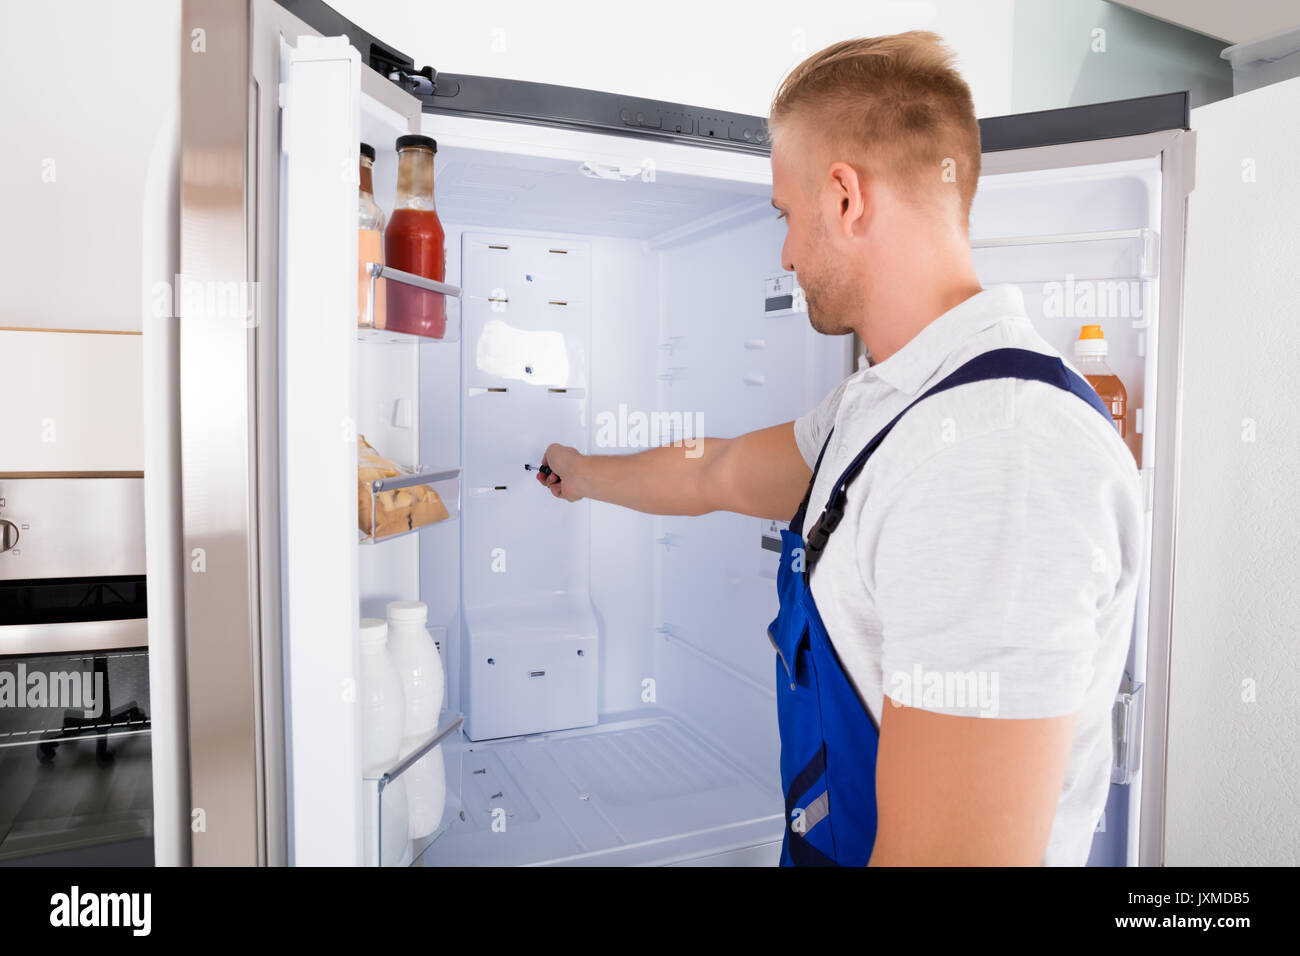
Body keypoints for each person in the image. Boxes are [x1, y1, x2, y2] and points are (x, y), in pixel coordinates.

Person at [537, 32, 1142, 866]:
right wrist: (583, 473)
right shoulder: (887, 406)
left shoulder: (1000, 458)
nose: (784, 253)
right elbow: (717, 470)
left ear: (846, 197)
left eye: (786, 215)